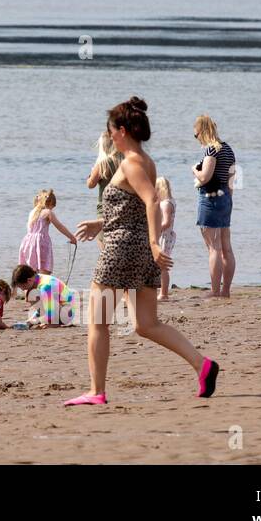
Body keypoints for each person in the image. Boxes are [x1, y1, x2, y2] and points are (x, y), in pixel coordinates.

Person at [67, 97, 219, 406]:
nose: (109, 136)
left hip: (123, 250)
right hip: (137, 248)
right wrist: (101, 223)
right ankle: (202, 365)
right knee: (147, 324)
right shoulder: (147, 162)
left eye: (111, 131)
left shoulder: (131, 162)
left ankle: (96, 392)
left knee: (98, 321)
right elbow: (134, 207)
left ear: (121, 131)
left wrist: (153, 243)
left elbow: (151, 201)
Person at [192, 114, 236, 299]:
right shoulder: (228, 149)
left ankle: (215, 291)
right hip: (226, 197)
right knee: (226, 247)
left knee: (213, 247)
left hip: (210, 199)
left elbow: (204, 177)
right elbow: (233, 178)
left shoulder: (211, 150)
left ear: (202, 131)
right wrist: (228, 198)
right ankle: (225, 291)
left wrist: (194, 169)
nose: (197, 139)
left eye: (196, 135)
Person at [17, 189, 77, 275]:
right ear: (50, 203)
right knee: (44, 272)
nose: (52, 209)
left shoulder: (32, 212)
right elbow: (60, 226)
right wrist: (72, 237)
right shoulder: (48, 212)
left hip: (27, 242)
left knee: (30, 272)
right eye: (53, 206)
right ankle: (44, 287)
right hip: (41, 243)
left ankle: (28, 287)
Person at [11, 265, 75, 328]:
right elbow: (42, 308)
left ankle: (54, 323)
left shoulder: (45, 286)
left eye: (23, 286)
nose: (23, 289)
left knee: (32, 294)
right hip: (60, 309)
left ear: (29, 280)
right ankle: (52, 321)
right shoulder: (38, 278)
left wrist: (36, 321)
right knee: (31, 295)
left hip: (67, 313)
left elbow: (50, 310)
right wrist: (30, 320)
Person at [86, 132, 123, 218]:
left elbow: (90, 185)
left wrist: (90, 175)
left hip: (105, 207)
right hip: (122, 206)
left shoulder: (103, 164)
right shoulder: (124, 162)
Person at [156, 177, 177, 301]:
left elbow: (167, 222)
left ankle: (164, 293)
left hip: (164, 236)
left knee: (162, 266)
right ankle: (162, 291)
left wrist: (155, 230)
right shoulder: (171, 201)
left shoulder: (165, 204)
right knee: (161, 265)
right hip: (167, 235)